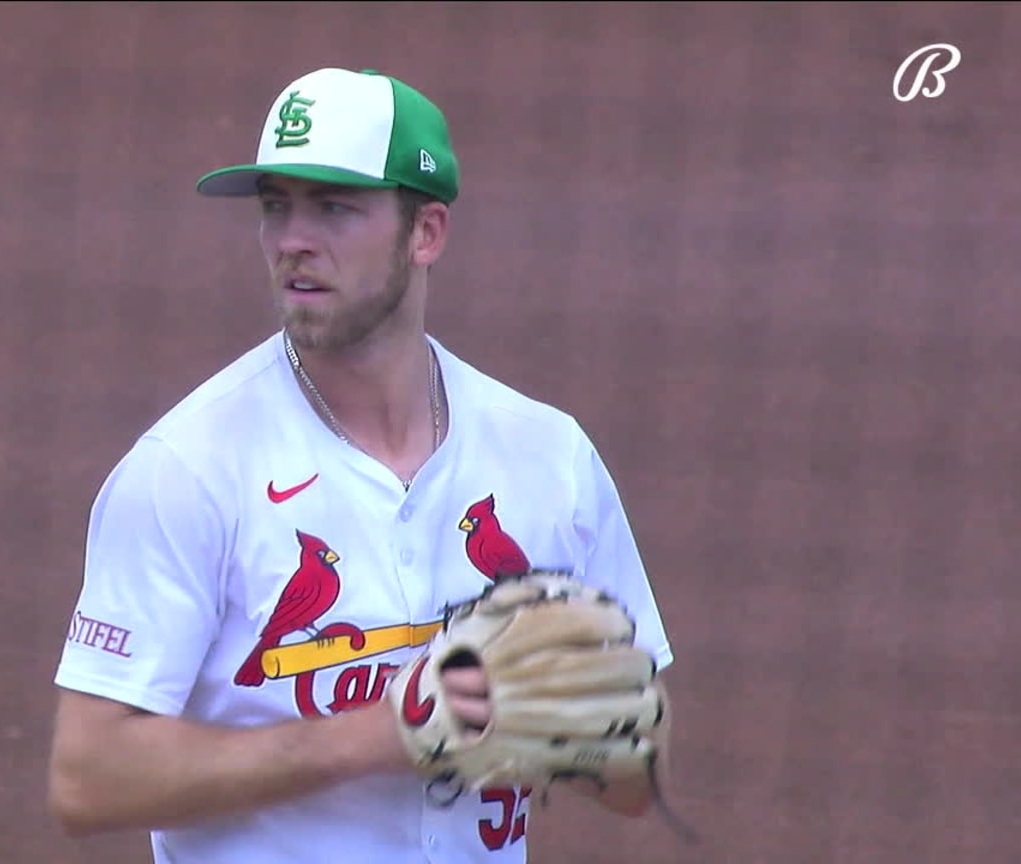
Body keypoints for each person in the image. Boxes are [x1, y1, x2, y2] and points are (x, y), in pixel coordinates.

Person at [47, 66, 677, 862]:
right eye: (276, 208)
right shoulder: (190, 469)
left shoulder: (548, 458)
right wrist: (379, 736)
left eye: (335, 207)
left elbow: (634, 780)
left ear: (427, 233)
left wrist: (564, 723)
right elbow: (88, 779)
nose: (293, 240)